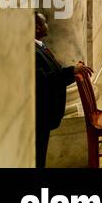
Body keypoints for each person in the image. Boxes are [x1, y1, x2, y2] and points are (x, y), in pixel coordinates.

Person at [34, 12, 75, 167]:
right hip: (39, 116)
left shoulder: (40, 47)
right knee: (38, 157)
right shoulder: (32, 51)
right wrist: (71, 72)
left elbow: (53, 73)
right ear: (36, 27)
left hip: (45, 117)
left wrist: (73, 71)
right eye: (44, 23)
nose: (48, 26)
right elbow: (45, 80)